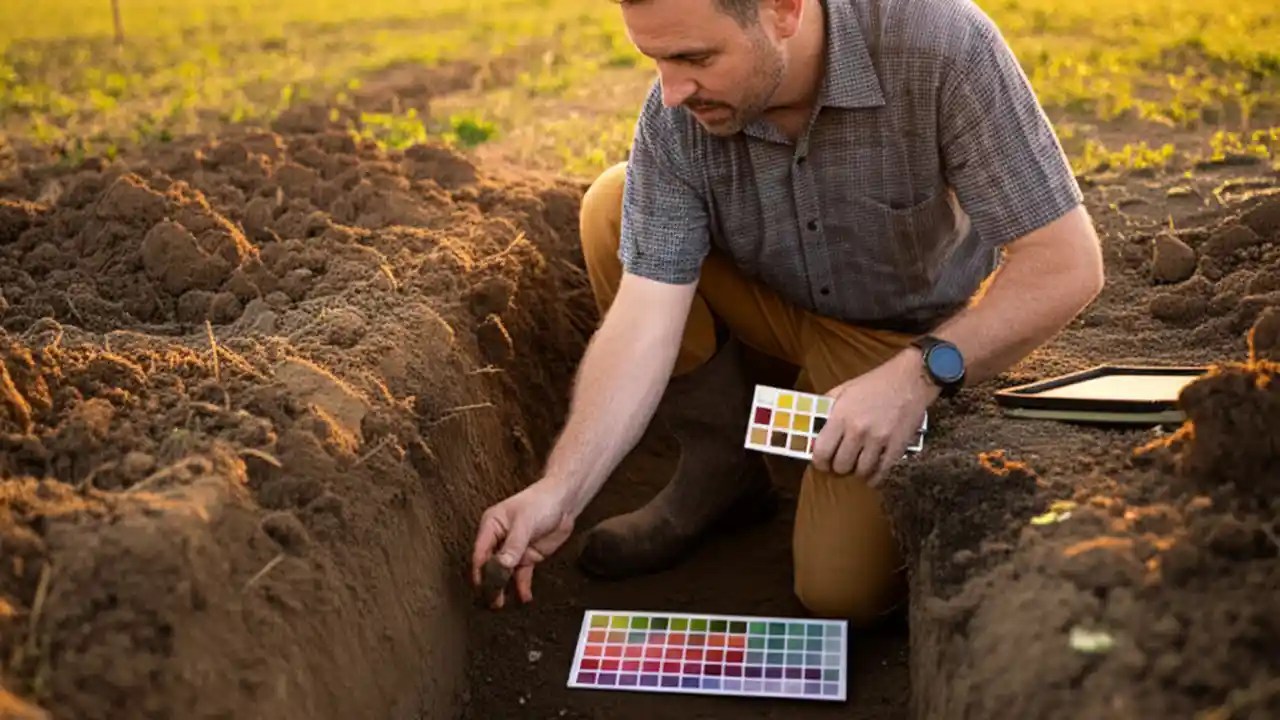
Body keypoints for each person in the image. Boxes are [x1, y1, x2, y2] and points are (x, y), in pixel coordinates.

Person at [470, 0, 1104, 623]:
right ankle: (721, 472)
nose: (671, 91)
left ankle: (830, 427)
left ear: (783, 10)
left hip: (892, 339)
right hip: (768, 302)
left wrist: (920, 373)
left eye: (695, 56)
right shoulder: (674, 117)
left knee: (839, 592)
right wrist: (561, 490)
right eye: (656, 59)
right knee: (613, 205)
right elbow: (642, 321)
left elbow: (1065, 263)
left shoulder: (940, 44)